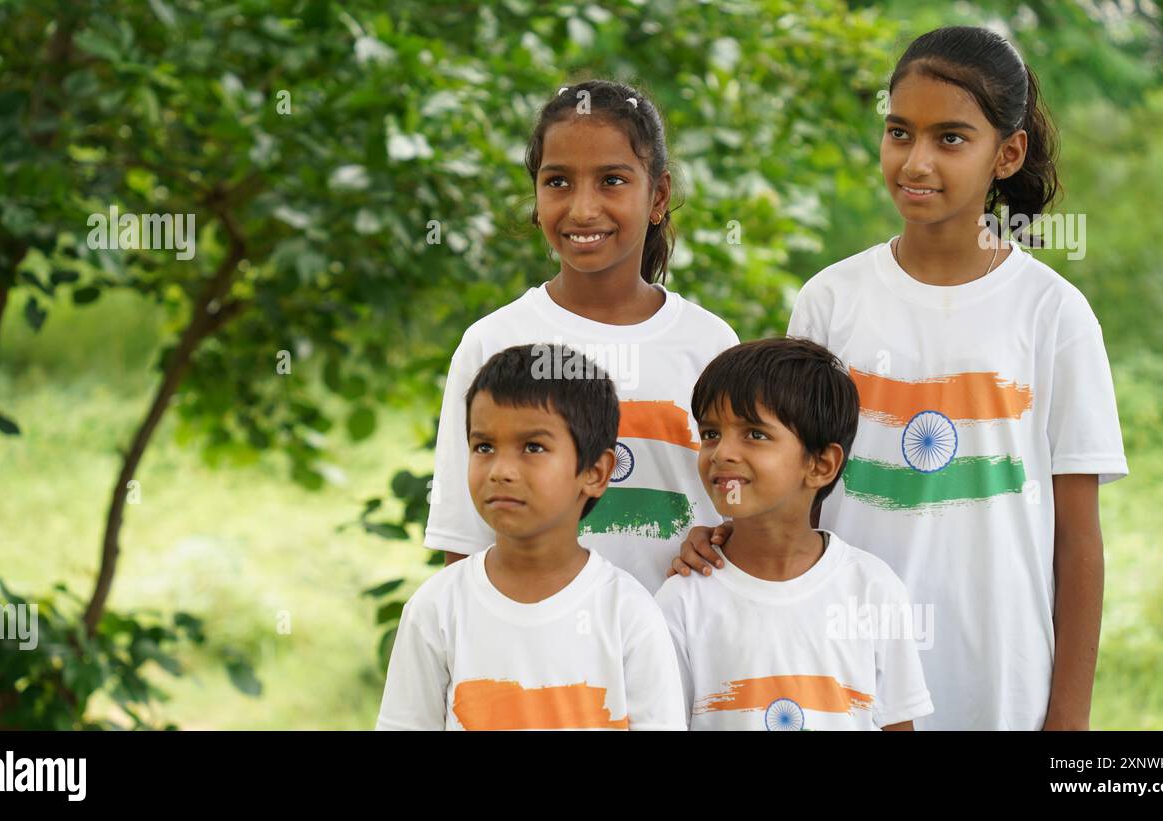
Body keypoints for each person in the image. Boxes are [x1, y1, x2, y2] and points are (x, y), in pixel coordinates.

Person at [673, 26, 1128, 730]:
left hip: (999, 676)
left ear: (1007, 153)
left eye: (950, 138)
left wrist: (1068, 715)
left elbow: (1078, 537)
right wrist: (724, 534)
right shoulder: (831, 300)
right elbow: (795, 479)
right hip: (849, 665)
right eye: (899, 132)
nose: (915, 161)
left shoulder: (1053, 314)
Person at [424, 79, 738, 594]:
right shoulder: (493, 343)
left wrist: (721, 537)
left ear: (657, 195)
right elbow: (463, 549)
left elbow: (744, 511)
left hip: (682, 656)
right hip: (544, 662)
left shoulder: (710, 344)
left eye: (612, 180)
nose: (582, 209)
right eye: (558, 182)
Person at [377, 344, 686, 730]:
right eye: (484, 446)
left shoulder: (629, 616)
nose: (500, 471)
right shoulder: (437, 610)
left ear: (595, 472)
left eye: (533, 447)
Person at [657, 338, 932, 730]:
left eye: (754, 434)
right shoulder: (682, 600)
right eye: (711, 433)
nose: (722, 453)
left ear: (821, 464)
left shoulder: (873, 590)